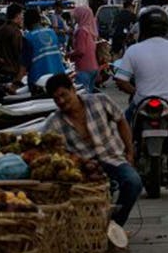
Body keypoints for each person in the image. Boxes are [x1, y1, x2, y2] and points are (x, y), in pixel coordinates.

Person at [114, 7, 168, 194]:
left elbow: (120, 80)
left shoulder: (133, 50)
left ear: (143, 27)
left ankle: (117, 178)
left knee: (119, 135)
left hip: (141, 103)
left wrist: (136, 91)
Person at [42, 72, 140, 225]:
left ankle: (115, 225)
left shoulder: (99, 101)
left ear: (73, 90)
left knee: (133, 182)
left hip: (112, 157)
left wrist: (129, 152)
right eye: (56, 99)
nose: (61, 101)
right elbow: (48, 149)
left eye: (64, 95)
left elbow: (121, 120)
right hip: (84, 167)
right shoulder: (54, 122)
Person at [23, 7, 65, 93]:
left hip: (39, 83)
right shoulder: (52, 32)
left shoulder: (28, 38)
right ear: (39, 20)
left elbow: (24, 64)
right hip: (58, 77)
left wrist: (15, 83)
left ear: (26, 22)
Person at [0, 3, 26, 86]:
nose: (23, 17)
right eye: (22, 14)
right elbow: (20, 53)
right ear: (17, 15)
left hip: (0, 71)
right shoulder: (16, 32)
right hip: (13, 73)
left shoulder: (0, 29)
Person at [69, 4, 101, 92]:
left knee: (83, 97)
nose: (75, 18)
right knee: (89, 96)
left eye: (76, 16)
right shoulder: (91, 30)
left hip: (84, 68)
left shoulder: (81, 31)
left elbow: (80, 50)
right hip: (93, 67)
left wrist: (70, 54)